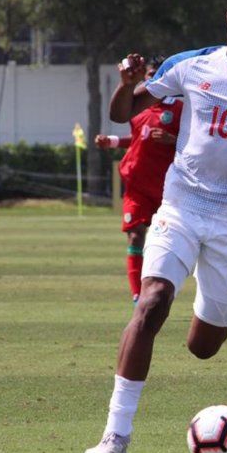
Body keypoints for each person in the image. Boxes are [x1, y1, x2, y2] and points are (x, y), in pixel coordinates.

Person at [84, 0, 227, 453]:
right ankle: (115, 435)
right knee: (152, 305)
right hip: (182, 208)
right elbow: (124, 111)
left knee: (203, 347)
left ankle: (212, 297)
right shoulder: (188, 65)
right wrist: (126, 84)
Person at [94, 56, 183, 306]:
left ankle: (164, 291)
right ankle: (137, 296)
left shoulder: (180, 110)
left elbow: (196, 145)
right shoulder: (137, 108)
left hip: (168, 190)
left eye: (158, 74)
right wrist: (111, 142)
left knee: (166, 244)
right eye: (150, 74)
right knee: (135, 237)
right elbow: (137, 139)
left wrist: (171, 140)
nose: (153, 79)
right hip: (137, 188)